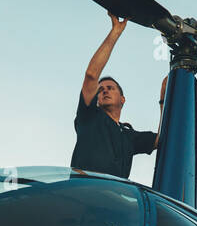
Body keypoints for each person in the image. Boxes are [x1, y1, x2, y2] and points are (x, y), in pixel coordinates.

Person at [71, 12, 168, 179]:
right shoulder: (90, 116)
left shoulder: (129, 135)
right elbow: (92, 75)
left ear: (122, 99)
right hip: (83, 195)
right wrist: (116, 31)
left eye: (110, 88)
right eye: (101, 90)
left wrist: (163, 100)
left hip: (113, 200)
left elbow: (161, 140)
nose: (105, 91)